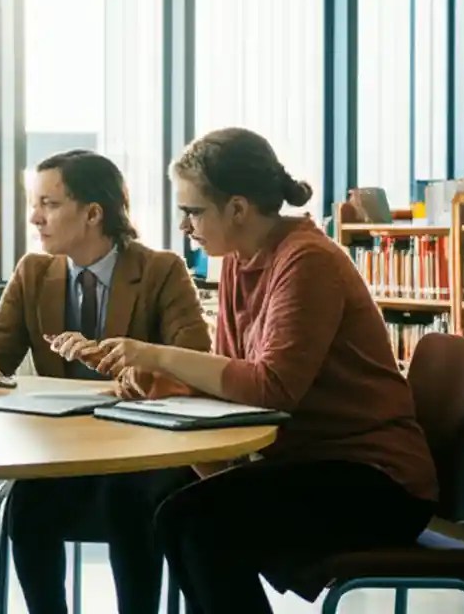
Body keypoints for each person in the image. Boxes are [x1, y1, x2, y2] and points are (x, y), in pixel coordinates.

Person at [86, 128, 438, 613]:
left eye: (193, 212)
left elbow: (272, 389)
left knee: (194, 520)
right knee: (132, 493)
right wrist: (162, 385)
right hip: (301, 462)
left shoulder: (307, 261)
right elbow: (235, 380)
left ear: (237, 208)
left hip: (375, 478)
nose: (185, 226)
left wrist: (157, 355)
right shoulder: (236, 260)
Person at [0, 149, 209, 614]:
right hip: (63, 453)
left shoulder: (161, 270)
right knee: (26, 503)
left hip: (144, 454)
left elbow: (195, 361)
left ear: (93, 213)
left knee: (128, 497)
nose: (35, 217)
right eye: (35, 204)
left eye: (49, 204)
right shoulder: (33, 273)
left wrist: (137, 369)